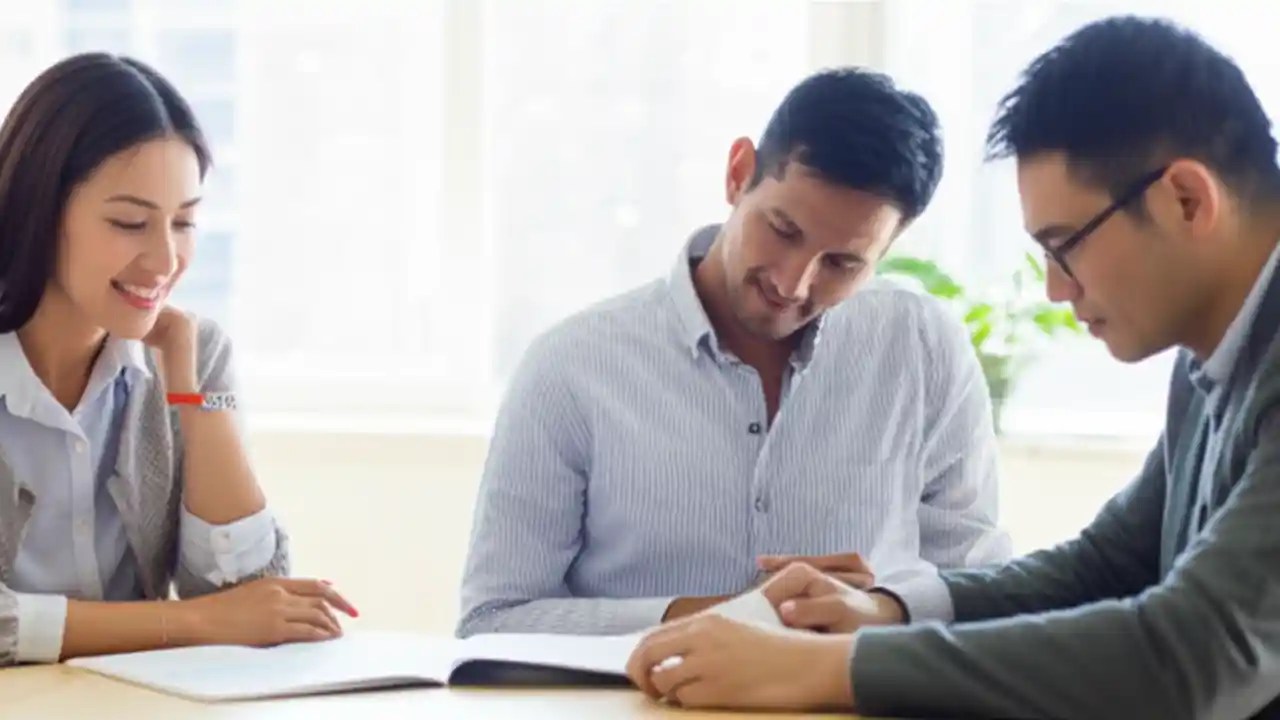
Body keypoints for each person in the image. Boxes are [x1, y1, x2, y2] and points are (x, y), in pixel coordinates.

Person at [626, 15, 1280, 720]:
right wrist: (886, 611)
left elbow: (1201, 655)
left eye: (1066, 246)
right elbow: (1110, 566)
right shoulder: (1213, 357)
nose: (1057, 289)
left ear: (1186, 199)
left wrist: (828, 668)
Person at [457, 66, 1011, 639]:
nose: (794, 284)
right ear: (738, 173)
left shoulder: (925, 348)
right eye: (783, 229)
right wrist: (734, 615)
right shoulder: (570, 368)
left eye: (842, 263)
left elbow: (982, 591)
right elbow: (493, 619)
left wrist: (883, 608)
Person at [0, 53, 355, 668]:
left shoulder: (189, 349)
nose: (165, 261)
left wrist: (191, 394)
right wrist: (190, 622)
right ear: (40, 208)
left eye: (185, 223)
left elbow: (246, 595)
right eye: (130, 222)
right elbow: (221, 615)